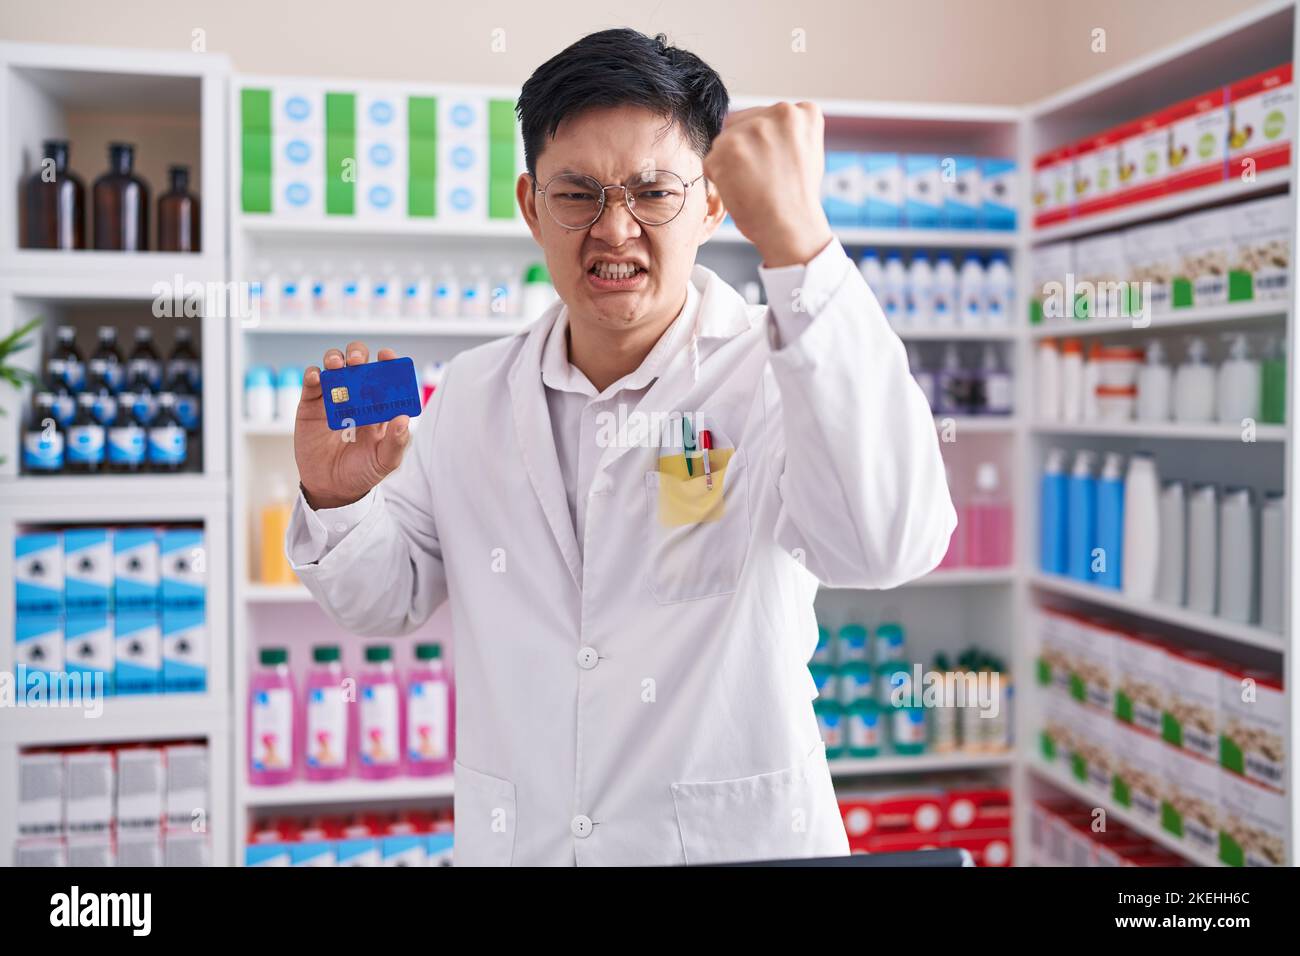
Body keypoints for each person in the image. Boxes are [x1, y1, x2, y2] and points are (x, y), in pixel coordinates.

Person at [288, 27, 956, 866]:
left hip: (733, 848)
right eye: (579, 194)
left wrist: (802, 248)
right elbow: (384, 600)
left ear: (712, 203)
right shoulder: (470, 394)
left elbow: (886, 544)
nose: (615, 230)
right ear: (532, 206)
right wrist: (339, 498)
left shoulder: (777, 370)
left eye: (652, 191)